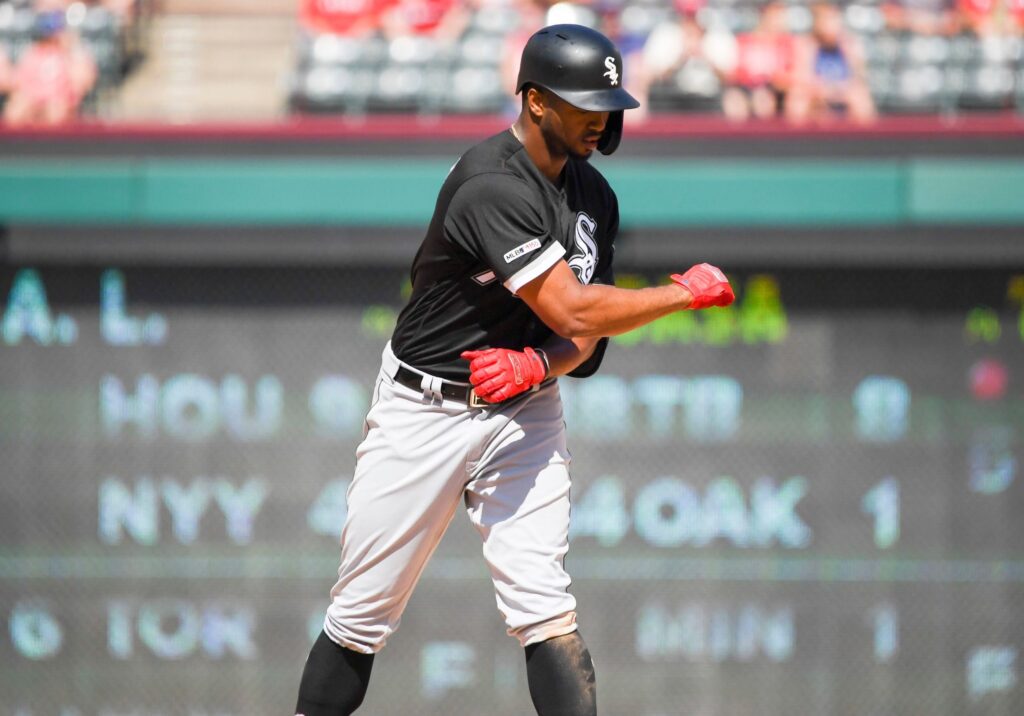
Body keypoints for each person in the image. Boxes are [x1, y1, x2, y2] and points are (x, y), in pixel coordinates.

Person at [293, 23, 734, 716]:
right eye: (585, 100)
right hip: (425, 406)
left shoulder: (597, 200)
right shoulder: (489, 183)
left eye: (609, 101)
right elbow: (577, 308)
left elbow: (581, 339)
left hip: (525, 405)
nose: (602, 116)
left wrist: (536, 363)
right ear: (534, 101)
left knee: (545, 607)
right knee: (360, 617)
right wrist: (682, 293)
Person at [2, 10, 97, 127]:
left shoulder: (72, 54)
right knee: (16, 110)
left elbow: (82, 82)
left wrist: (71, 50)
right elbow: (17, 82)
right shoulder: (33, 52)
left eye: (54, 33)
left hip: (59, 100)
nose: (51, 37)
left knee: (55, 111)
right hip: (33, 97)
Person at [786, 2, 876, 125]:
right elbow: (802, 78)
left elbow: (858, 78)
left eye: (833, 19)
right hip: (816, 93)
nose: (830, 25)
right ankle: (795, 140)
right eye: (826, 19)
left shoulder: (849, 44)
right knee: (797, 99)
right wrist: (822, 91)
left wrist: (838, 91)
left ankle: (864, 140)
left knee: (860, 97)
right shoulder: (807, 45)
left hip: (842, 92)